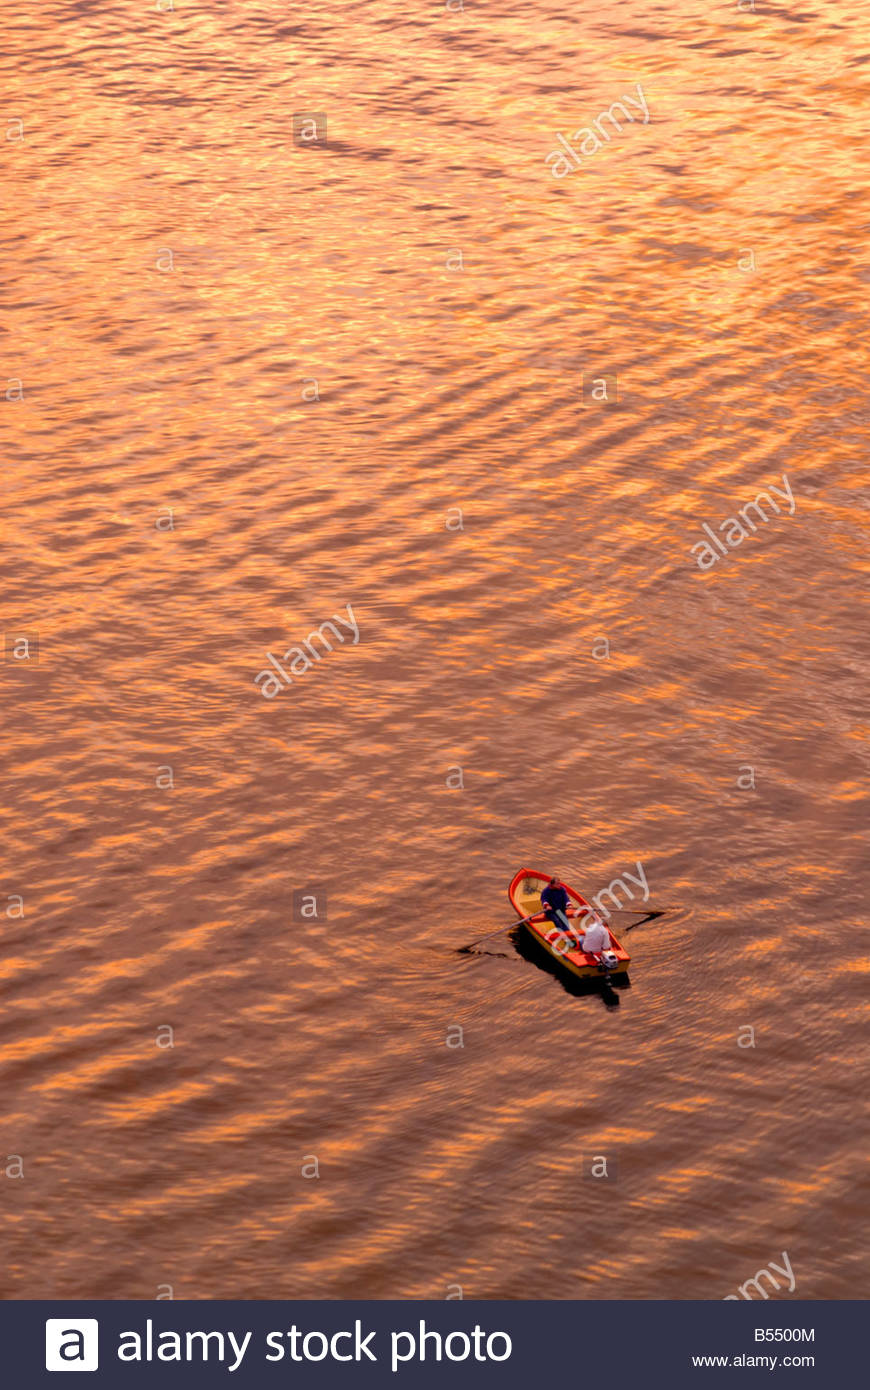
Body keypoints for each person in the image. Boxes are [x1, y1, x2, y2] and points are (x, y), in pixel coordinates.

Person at [540, 876, 580, 948]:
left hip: (560, 910)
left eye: (559, 883)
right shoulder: (546, 891)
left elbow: (566, 898)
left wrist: (569, 904)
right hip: (551, 912)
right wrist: (547, 906)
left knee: (565, 923)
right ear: (552, 884)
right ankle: (565, 939)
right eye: (557, 884)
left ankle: (569, 939)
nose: (559, 885)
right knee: (557, 921)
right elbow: (544, 900)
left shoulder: (562, 889)